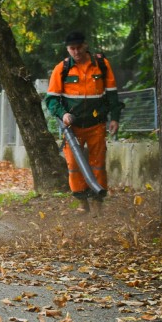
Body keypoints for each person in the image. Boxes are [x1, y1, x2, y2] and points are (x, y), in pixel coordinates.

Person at [46, 31, 123, 212]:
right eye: (72, 49)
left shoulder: (101, 65)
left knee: (98, 163)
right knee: (74, 165)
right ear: (67, 49)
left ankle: (98, 202)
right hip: (72, 128)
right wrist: (62, 114)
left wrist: (115, 119)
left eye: (79, 47)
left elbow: (112, 94)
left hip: (96, 125)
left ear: (85, 46)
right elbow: (50, 99)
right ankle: (82, 202)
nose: (76, 52)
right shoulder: (62, 69)